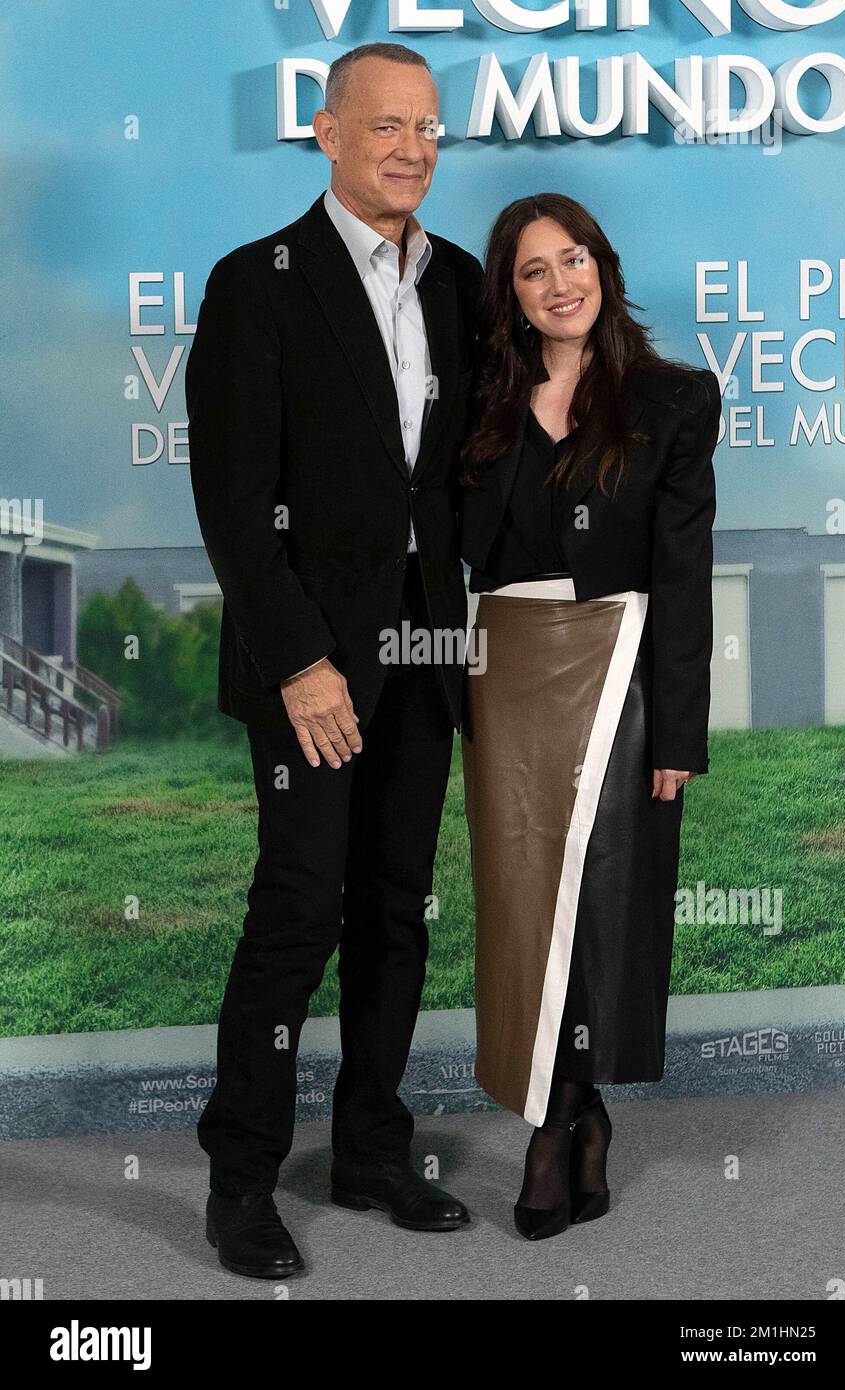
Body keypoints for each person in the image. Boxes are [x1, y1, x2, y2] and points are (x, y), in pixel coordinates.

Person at [185, 42, 483, 1279]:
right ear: (324, 132)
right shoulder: (259, 283)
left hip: (426, 651)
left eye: (427, 127)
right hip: (309, 664)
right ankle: (241, 1175)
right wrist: (300, 659)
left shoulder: (462, 283)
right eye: (385, 126)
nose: (411, 147)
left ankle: (369, 1147)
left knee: (397, 910)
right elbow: (233, 498)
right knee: (299, 909)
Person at [460, 193, 722, 1241]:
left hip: (620, 671)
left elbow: (683, 571)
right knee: (528, 913)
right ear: (512, 298)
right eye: (533, 270)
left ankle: (557, 1123)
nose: (559, 281)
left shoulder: (670, 397)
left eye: (573, 259)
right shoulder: (481, 403)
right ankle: (575, 1113)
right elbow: (459, 551)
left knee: (602, 908)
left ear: (601, 269)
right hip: (507, 679)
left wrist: (678, 733)